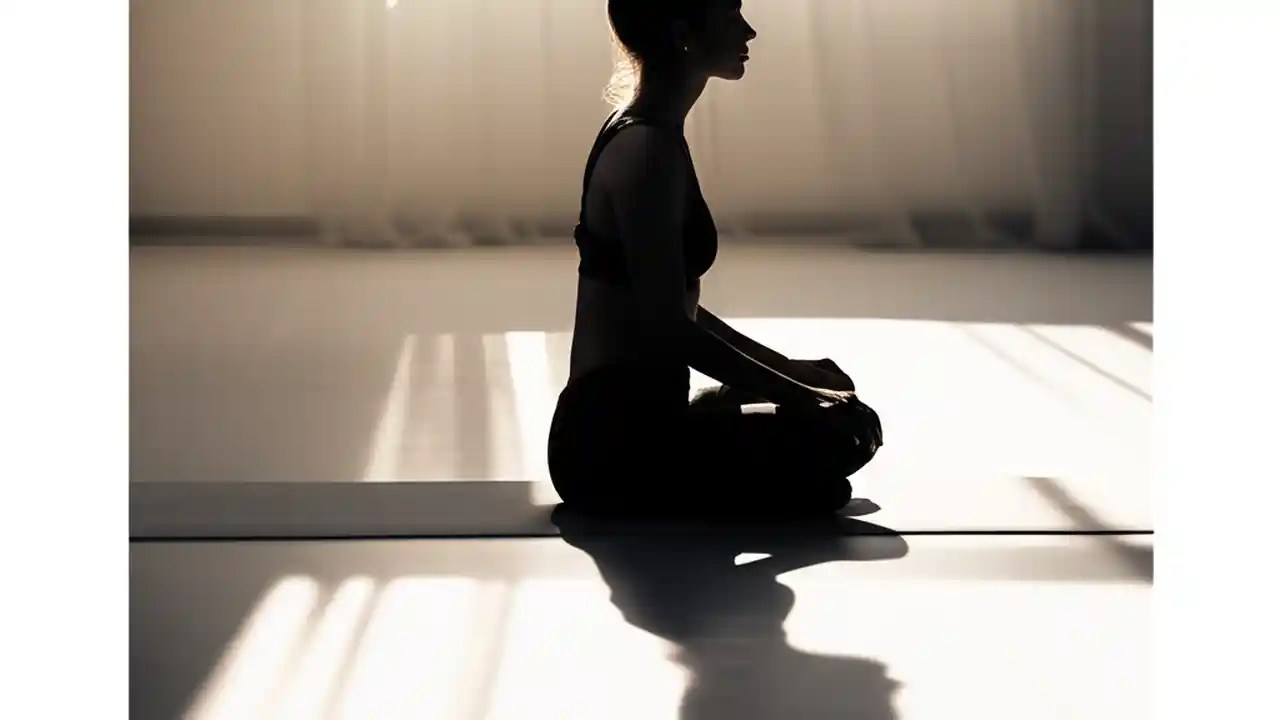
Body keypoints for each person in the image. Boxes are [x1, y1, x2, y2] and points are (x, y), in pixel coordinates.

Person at [547, 0, 882, 518]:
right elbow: (666, 327)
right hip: (610, 446)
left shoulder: (653, 133)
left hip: (637, 420)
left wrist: (786, 369)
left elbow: (672, 306)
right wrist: (798, 396)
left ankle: (720, 429)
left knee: (838, 413)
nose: (748, 30)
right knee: (840, 441)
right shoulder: (647, 152)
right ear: (685, 32)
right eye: (730, 15)